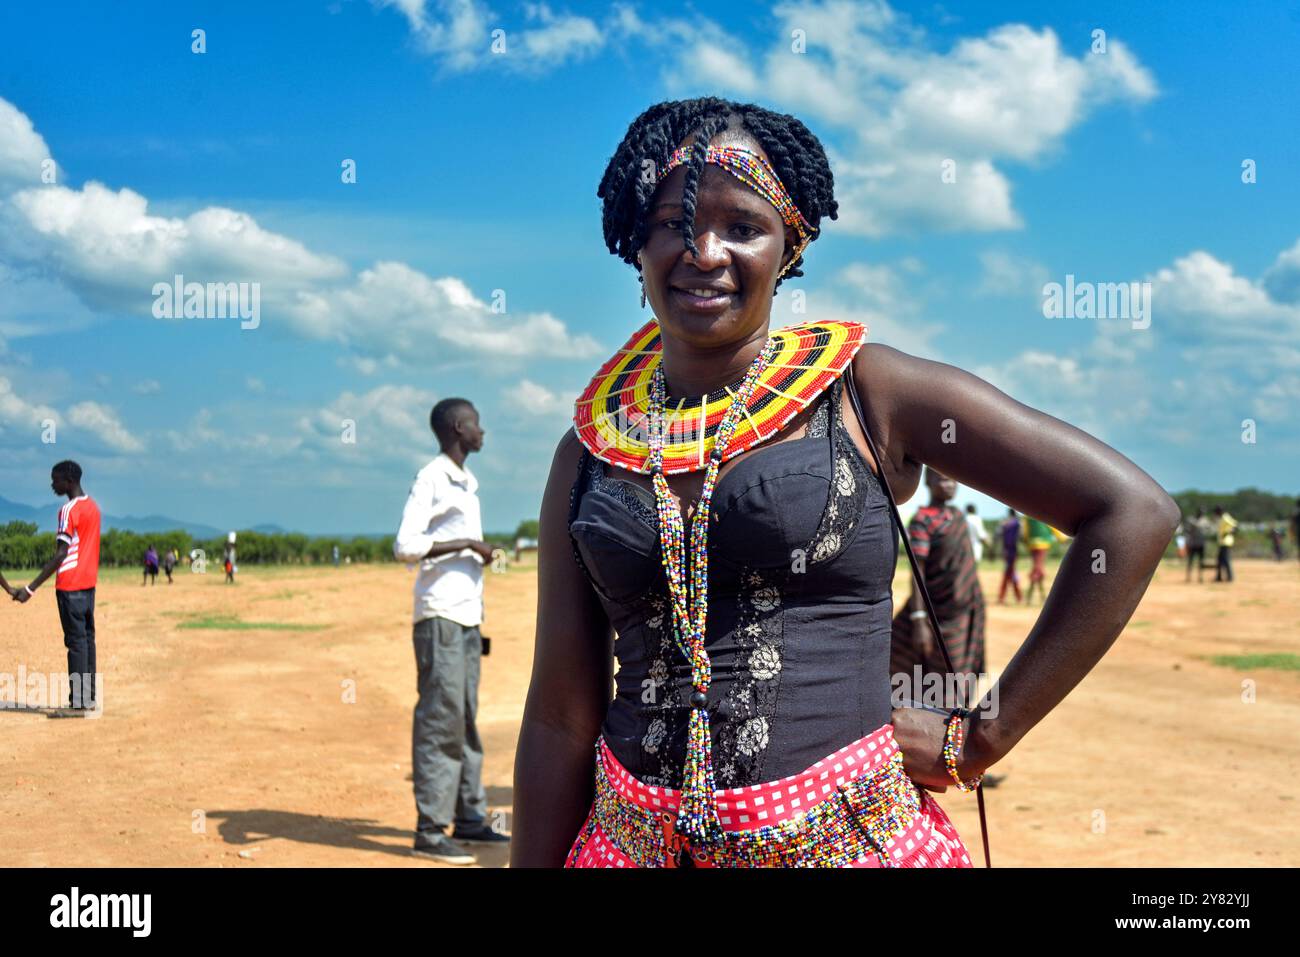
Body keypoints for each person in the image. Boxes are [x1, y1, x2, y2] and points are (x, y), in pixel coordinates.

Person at [511, 99, 1179, 869]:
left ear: (788, 246)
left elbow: (1131, 512)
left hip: (849, 845)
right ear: (634, 240)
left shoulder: (868, 395)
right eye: (670, 223)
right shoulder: (591, 449)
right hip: (629, 847)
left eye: (742, 226)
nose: (702, 250)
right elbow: (561, 717)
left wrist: (983, 734)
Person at [393, 397, 508, 865]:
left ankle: (470, 817)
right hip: (438, 617)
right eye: (477, 424)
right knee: (440, 720)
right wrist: (466, 544)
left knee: (464, 718)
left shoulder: (465, 482)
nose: (483, 431)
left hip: (465, 618)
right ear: (460, 428)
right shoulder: (432, 478)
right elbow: (405, 545)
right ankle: (429, 829)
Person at [891, 469, 986, 706]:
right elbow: (917, 571)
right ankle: (935, 722)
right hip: (937, 615)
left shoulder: (957, 516)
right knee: (939, 672)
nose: (950, 485)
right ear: (929, 482)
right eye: (943, 479)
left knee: (960, 673)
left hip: (963, 614)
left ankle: (952, 719)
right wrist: (919, 617)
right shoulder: (923, 520)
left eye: (953, 480)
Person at [12, 461, 102, 711]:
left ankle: (78, 703)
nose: (53, 484)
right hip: (88, 586)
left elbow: (61, 553)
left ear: (69, 480)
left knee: (75, 643)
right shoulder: (93, 507)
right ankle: (89, 697)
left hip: (70, 586)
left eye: (56, 479)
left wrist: (30, 588)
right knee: (86, 641)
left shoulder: (68, 510)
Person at [1022, 516, 1062, 605]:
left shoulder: (1027, 515)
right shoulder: (1044, 512)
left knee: (1037, 569)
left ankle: (1036, 597)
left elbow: (1025, 531)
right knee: (1038, 570)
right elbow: (1053, 526)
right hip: (1043, 544)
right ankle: (1037, 597)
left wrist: (1026, 542)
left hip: (1032, 544)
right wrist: (1062, 538)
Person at [998, 508, 1022, 603]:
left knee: (1009, 573)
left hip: (1006, 551)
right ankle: (1017, 596)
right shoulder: (1017, 524)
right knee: (1010, 573)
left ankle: (1003, 596)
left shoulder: (1005, 524)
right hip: (1013, 551)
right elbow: (1019, 537)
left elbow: (999, 536)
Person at [1213, 505, 1238, 582]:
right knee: (1220, 560)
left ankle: (1230, 577)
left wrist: (1227, 533)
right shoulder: (1221, 518)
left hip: (1226, 542)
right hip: (1222, 542)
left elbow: (1235, 526)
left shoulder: (1225, 517)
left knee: (1226, 560)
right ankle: (1219, 577)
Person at [1185, 508, 1209, 582]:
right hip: (1193, 544)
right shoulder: (1191, 520)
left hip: (1201, 544)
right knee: (1190, 561)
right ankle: (1188, 577)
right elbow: (1187, 530)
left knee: (1201, 561)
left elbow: (1208, 530)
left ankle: (1200, 577)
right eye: (1201, 512)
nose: (1202, 514)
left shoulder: (1205, 521)